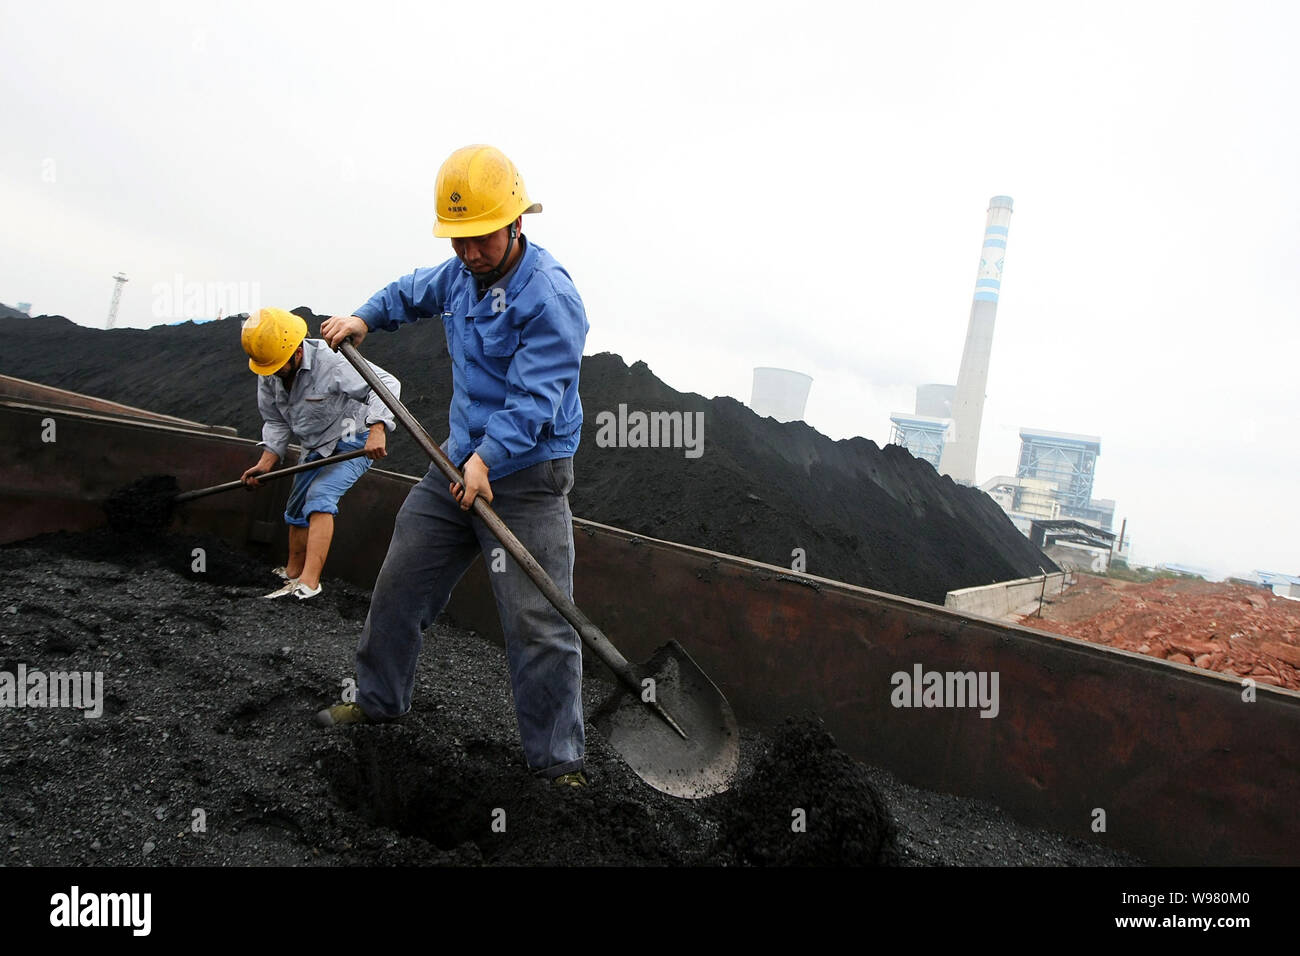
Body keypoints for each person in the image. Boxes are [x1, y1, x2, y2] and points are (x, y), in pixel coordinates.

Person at [316, 144, 590, 788]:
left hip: (527, 477)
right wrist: (363, 317)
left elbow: (534, 401)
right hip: (455, 465)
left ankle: (559, 768)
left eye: (480, 239)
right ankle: (378, 699)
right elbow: (410, 292)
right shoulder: (461, 275)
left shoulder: (550, 299)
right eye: (458, 239)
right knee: (399, 583)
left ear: (516, 224)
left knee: (539, 623)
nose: (468, 253)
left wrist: (488, 460)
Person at [240, 307, 400, 600]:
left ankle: (308, 585)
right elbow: (275, 420)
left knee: (320, 495)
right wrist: (266, 462)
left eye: (278, 366)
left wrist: (378, 428)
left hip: (355, 439)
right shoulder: (270, 368)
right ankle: (291, 574)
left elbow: (387, 384)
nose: (273, 373)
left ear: (297, 352)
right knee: (296, 507)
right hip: (316, 443)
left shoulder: (333, 362)